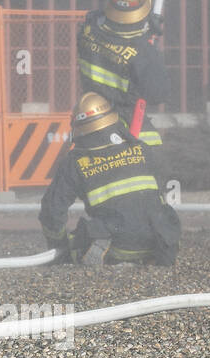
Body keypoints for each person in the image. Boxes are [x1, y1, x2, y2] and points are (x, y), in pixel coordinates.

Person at [39, 92, 180, 266]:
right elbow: (160, 189)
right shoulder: (142, 149)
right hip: (160, 244)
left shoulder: (75, 162)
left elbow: (51, 212)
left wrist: (59, 250)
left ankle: (102, 257)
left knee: (78, 243)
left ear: (78, 127)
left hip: (117, 245)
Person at [76, 0, 168, 150]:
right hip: (130, 126)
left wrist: (144, 29)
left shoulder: (87, 29)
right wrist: (150, 47)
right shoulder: (143, 53)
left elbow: (110, 31)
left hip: (92, 121)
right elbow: (159, 95)